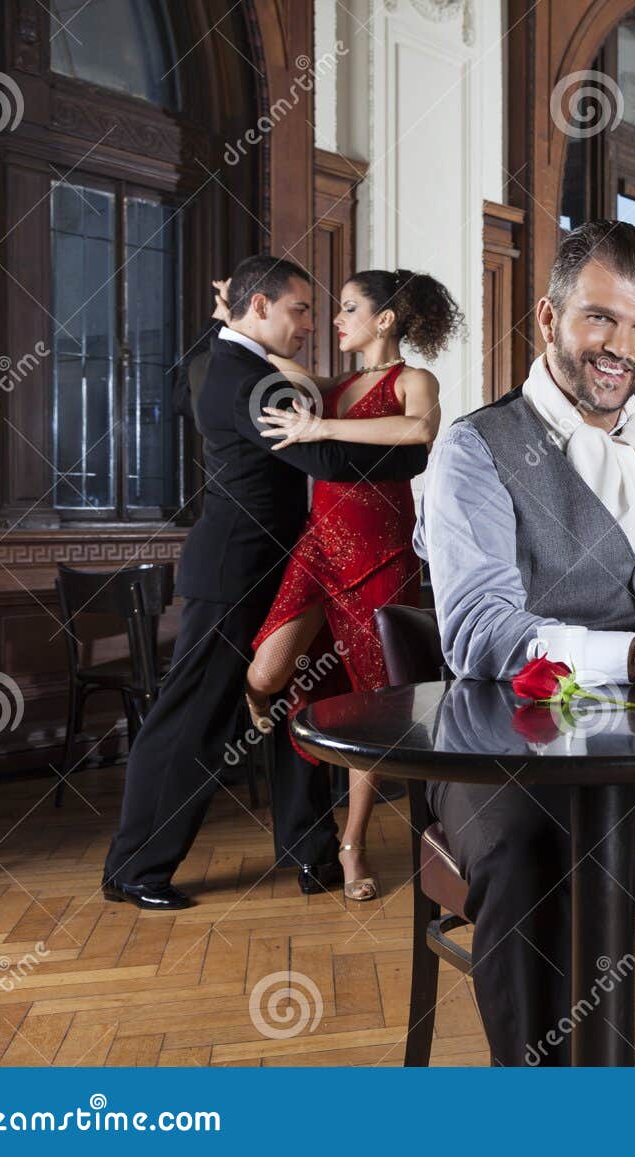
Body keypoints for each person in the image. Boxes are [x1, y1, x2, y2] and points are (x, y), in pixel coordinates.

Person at [413, 221, 635, 1064]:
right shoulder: (474, 448)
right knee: (530, 850)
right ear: (547, 318)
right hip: (505, 753)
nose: (623, 348)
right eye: (599, 319)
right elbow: (480, 635)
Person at [101, 256, 429, 910]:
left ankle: (309, 851)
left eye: (317, 310)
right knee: (190, 720)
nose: (311, 322)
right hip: (236, 571)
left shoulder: (238, 366)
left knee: (295, 705)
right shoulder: (249, 380)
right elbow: (326, 458)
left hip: (287, 567)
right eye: (300, 309)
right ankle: (135, 867)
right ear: (259, 309)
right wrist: (414, 450)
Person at [239, 269, 459, 902]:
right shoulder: (335, 384)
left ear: (385, 319)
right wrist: (230, 313)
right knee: (266, 673)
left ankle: (352, 843)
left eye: (349, 308)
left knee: (371, 705)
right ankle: (277, 728)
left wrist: (321, 429)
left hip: (382, 554)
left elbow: (418, 431)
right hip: (319, 546)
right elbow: (273, 360)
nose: (335, 320)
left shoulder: (413, 380)